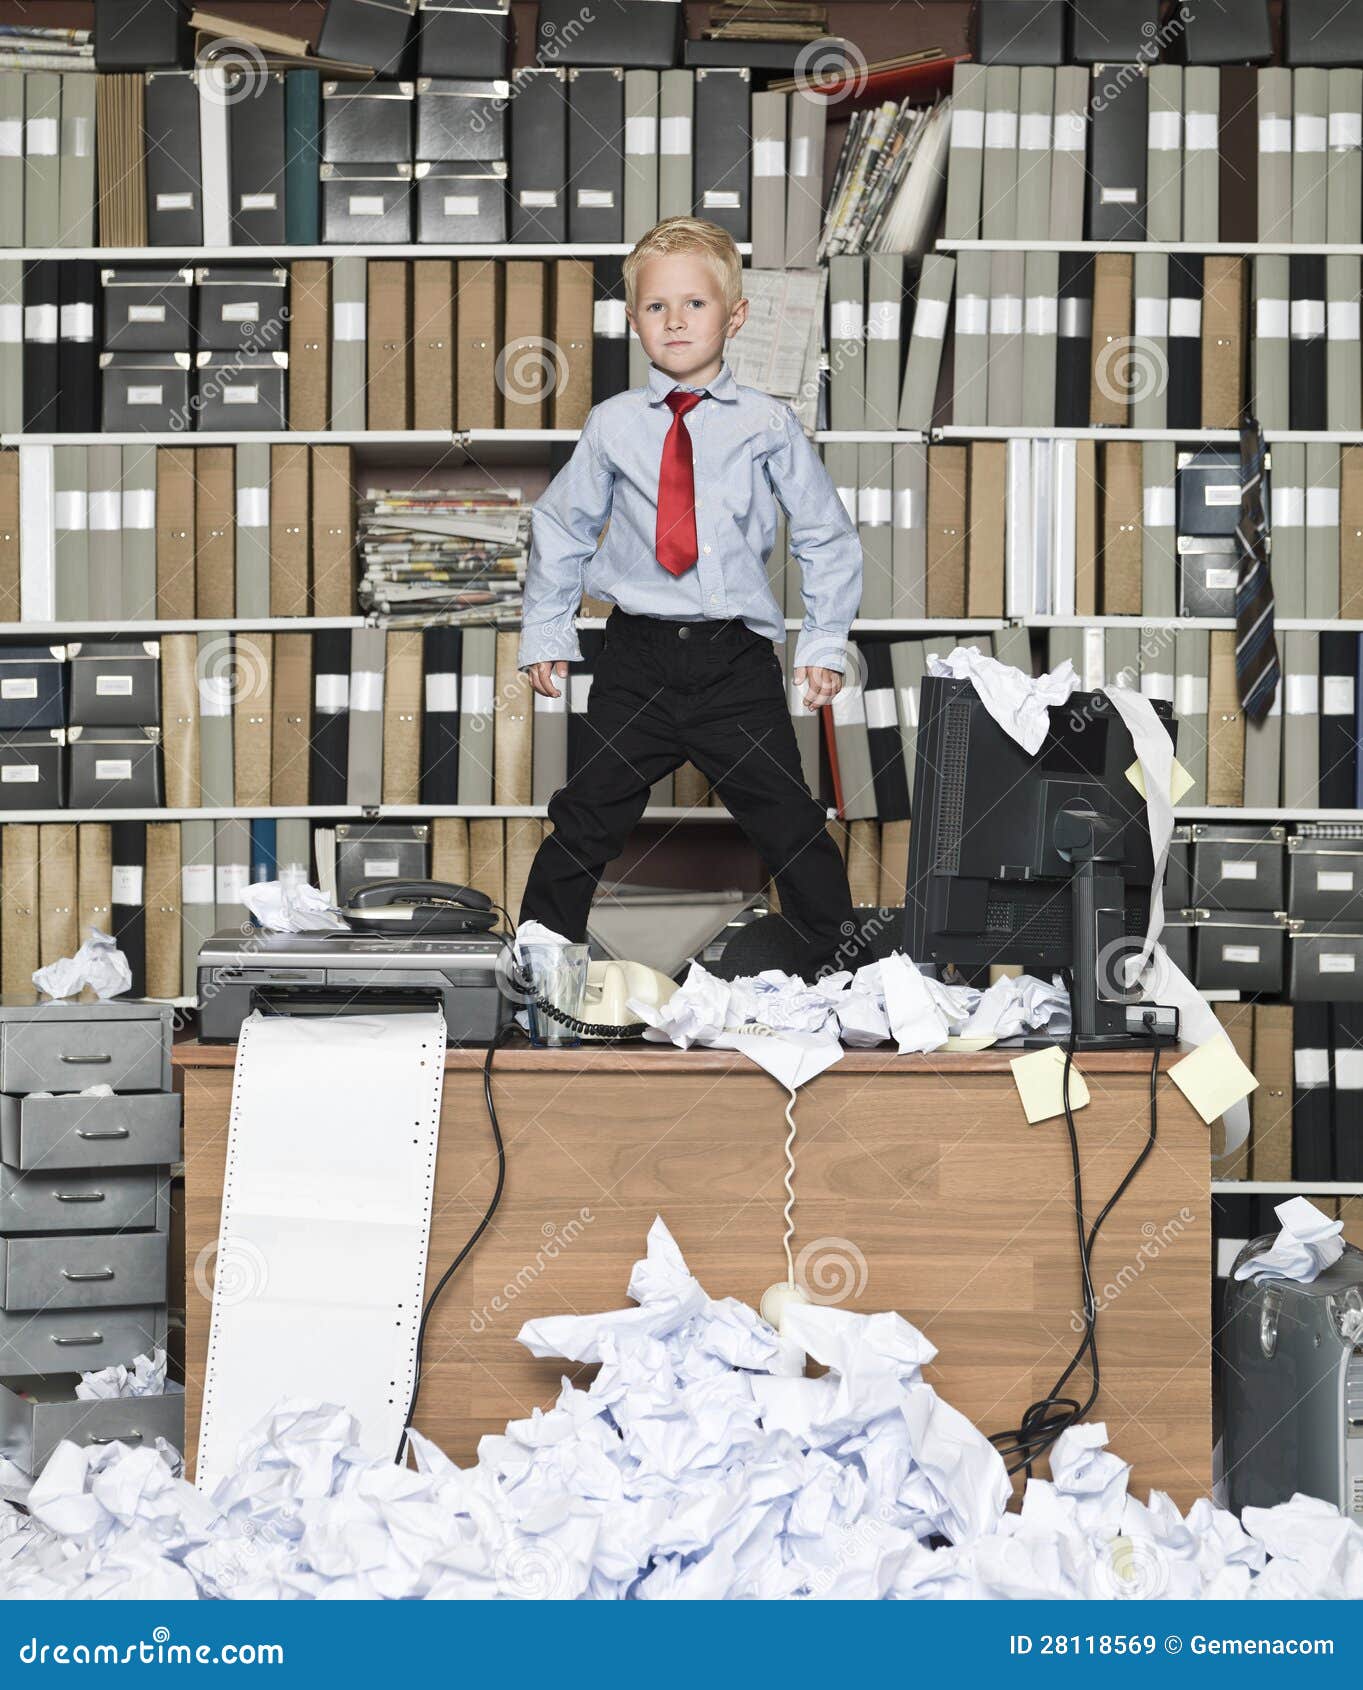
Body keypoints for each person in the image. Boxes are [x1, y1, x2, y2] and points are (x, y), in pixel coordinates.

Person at [516, 215, 863, 974]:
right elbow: (562, 527)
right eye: (654, 306)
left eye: (695, 305)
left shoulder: (768, 424)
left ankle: (849, 976)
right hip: (634, 657)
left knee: (789, 822)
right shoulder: (611, 426)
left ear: (733, 316)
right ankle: (534, 971)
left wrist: (824, 643)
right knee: (586, 817)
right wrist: (547, 634)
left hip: (732, 664)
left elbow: (824, 535)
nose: (674, 320)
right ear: (633, 319)